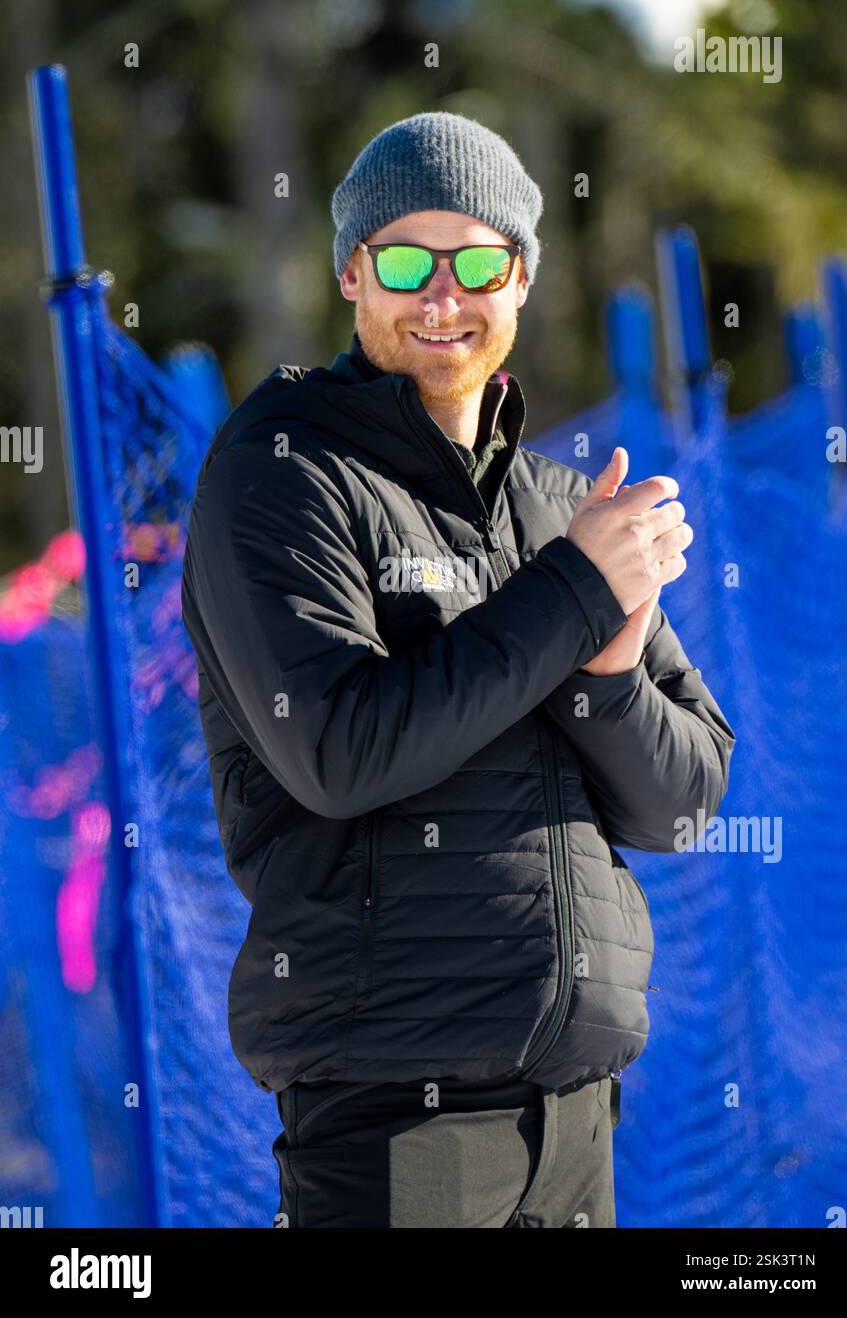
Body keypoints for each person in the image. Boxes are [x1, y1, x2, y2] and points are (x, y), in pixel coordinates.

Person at [180, 111, 735, 1228]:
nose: (442, 295)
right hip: (397, 1120)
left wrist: (610, 674)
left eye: (476, 259)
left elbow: (684, 806)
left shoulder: (552, 503)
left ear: (520, 276)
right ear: (352, 273)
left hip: (577, 1114)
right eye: (403, 259)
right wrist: (575, 594)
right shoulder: (284, 471)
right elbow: (336, 750)